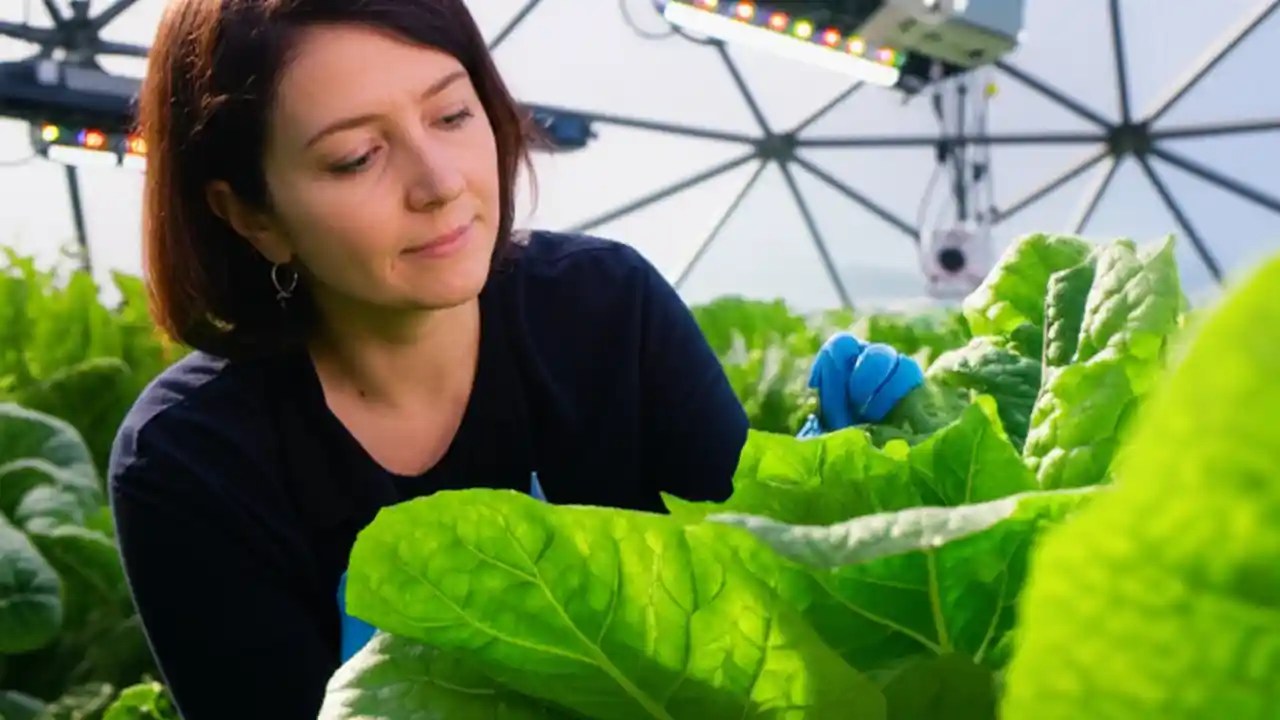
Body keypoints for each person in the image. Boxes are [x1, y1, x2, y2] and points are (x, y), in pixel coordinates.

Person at [107, 1, 922, 718]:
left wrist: (829, 505)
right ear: (251, 215)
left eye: (452, 116)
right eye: (357, 156)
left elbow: (758, 609)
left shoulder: (606, 309)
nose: (439, 183)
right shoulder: (192, 460)